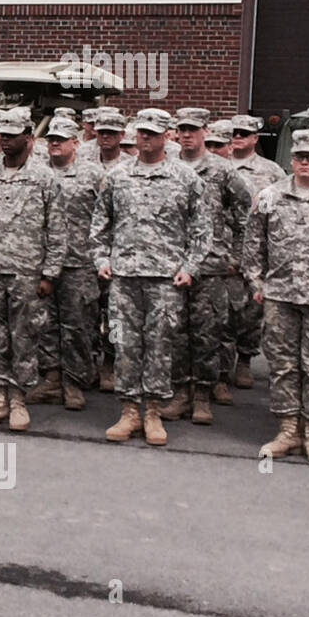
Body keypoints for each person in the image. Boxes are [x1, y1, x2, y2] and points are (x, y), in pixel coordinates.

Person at [91, 108, 210, 446]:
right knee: (124, 342)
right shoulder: (117, 176)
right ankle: (129, 410)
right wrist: (101, 258)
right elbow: (100, 223)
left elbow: (201, 229)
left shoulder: (185, 178)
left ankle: (153, 411)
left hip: (165, 278)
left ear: (166, 137)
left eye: (152, 134)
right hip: (124, 276)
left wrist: (190, 267)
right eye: (141, 132)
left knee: (159, 345)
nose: (144, 138)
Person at [0, 107, 64, 431]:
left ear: (28, 137)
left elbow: (56, 229)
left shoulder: (44, 177)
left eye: (12, 135)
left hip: (27, 272)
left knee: (24, 337)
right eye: (2, 134)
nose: (5, 140)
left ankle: (19, 400)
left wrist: (50, 274)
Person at [169, 108, 251, 423]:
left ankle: (203, 395)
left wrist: (236, 256)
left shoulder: (222, 171)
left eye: (192, 129)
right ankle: (180, 393)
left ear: (205, 131)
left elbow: (245, 215)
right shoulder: (169, 166)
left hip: (211, 266)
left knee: (206, 334)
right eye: (182, 129)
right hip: (173, 263)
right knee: (176, 332)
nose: (187, 134)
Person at [246, 128, 309, 461]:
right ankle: (289, 430)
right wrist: (257, 284)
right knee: (283, 365)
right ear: (291, 159)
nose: (305, 162)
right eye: (300, 157)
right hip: (280, 295)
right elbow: (253, 244)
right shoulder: (270, 195)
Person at [31, 117, 104, 410]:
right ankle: (50, 378)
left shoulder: (93, 175)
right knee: (44, 323)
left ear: (76, 143)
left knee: (78, 325)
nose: (55, 144)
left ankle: (74, 381)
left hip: (79, 262)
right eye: (51, 139)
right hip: (41, 261)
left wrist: (102, 255)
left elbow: (106, 217)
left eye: (61, 139)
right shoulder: (35, 173)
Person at [226, 113, 287, 389]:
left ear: (254, 139)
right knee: (221, 313)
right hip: (221, 252)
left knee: (251, 312)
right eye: (234, 133)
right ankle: (218, 369)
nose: (237, 137)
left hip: (255, 252)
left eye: (243, 134)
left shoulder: (271, 171)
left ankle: (245, 361)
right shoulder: (219, 165)